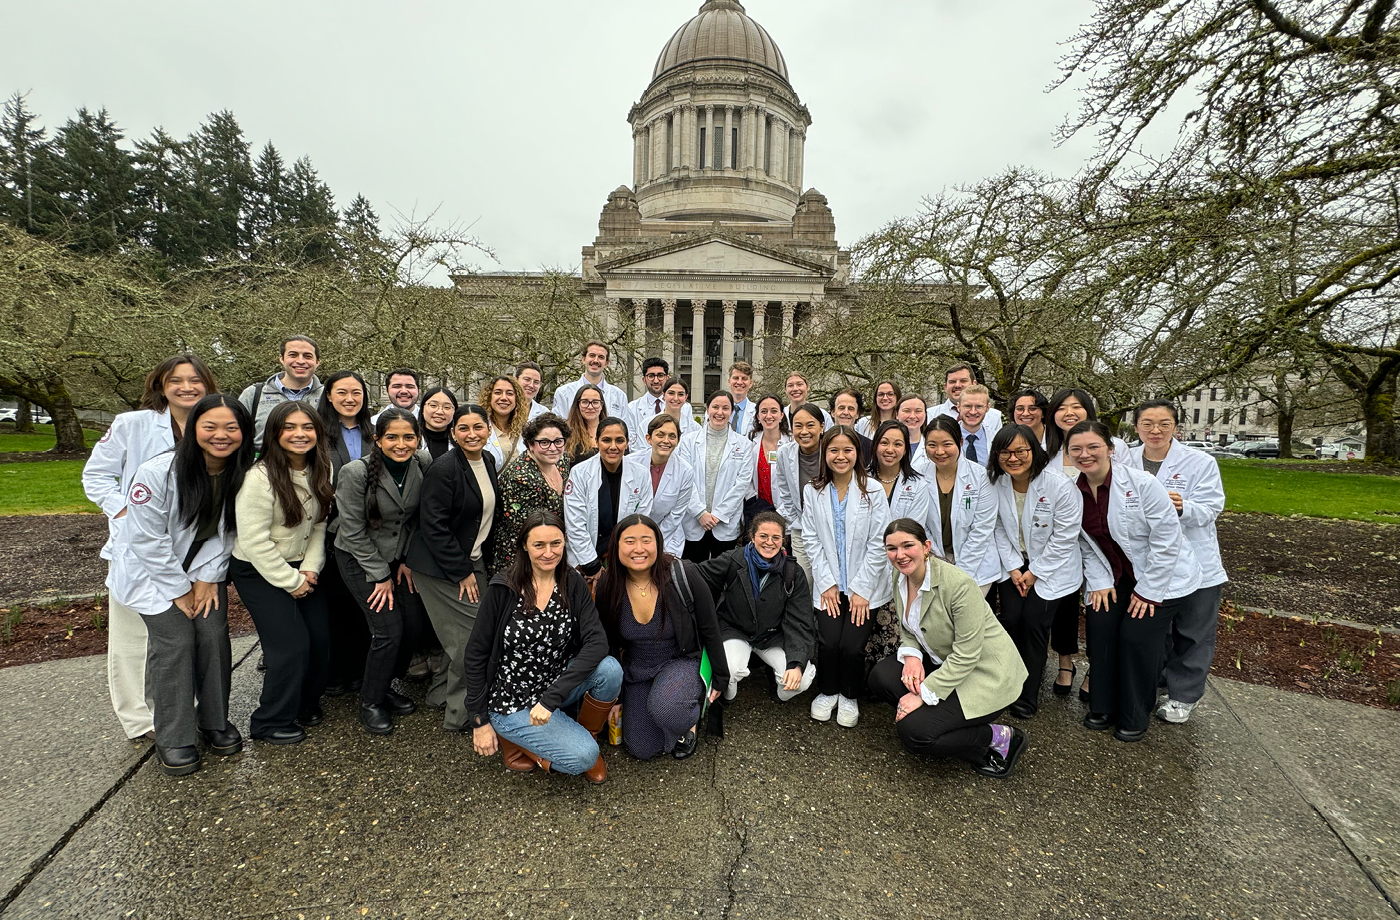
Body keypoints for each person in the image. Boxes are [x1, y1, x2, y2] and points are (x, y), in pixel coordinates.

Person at [107, 393, 253, 775]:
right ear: (193, 429)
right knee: (176, 642)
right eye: (210, 426)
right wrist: (179, 588)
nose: (221, 435)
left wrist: (207, 577)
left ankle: (214, 721)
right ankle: (174, 737)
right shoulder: (157, 473)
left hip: (202, 571)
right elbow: (146, 540)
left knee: (213, 635)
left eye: (231, 427)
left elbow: (228, 533)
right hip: (150, 575)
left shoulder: (240, 472)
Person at [83, 353, 218, 742]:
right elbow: (96, 475)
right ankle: (139, 719)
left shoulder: (213, 427)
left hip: (192, 548)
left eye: (195, 380)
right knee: (133, 640)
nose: (187, 387)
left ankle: (179, 708)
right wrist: (125, 511)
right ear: (161, 385)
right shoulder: (132, 425)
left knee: (181, 636)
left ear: (207, 385)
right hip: (138, 549)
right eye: (176, 380)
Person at [463, 511, 622, 782]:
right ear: (525, 546)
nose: (549, 553)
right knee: (583, 757)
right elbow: (475, 654)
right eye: (539, 545)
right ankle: (524, 742)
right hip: (512, 701)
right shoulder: (503, 589)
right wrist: (479, 721)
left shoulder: (572, 582)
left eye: (555, 544)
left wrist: (551, 699)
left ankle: (584, 734)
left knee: (610, 669)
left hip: (553, 688)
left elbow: (597, 642)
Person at [1068, 420, 1200, 742]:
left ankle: (1134, 713)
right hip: (1114, 576)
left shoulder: (1142, 484)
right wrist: (1099, 582)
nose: (1085, 455)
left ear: (1110, 449)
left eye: (1093, 447)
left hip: (1162, 578)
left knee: (1136, 636)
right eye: (1076, 449)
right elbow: (1085, 544)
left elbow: (1167, 540)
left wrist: (1149, 592)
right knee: (1100, 626)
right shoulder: (1073, 491)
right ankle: (1103, 705)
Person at [868, 519, 1028, 778]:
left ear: (926, 546)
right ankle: (936, 720)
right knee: (881, 677)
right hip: (945, 660)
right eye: (892, 548)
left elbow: (967, 655)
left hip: (985, 674)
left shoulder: (960, 585)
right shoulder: (900, 575)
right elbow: (908, 628)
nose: (900, 555)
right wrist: (912, 657)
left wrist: (922, 695)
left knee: (914, 734)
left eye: (908, 546)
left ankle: (999, 738)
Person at [230, 402, 334, 744]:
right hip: (258, 569)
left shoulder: (322, 468)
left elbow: (319, 525)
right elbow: (254, 541)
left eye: (307, 427)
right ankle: (269, 721)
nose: (299, 434)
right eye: (289, 427)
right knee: (290, 646)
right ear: (275, 433)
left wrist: (310, 569)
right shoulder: (259, 477)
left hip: (302, 566)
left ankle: (304, 703)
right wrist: (290, 582)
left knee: (319, 640)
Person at [1123, 400, 1227, 725]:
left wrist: (1183, 507)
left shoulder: (1200, 462)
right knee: (1155, 631)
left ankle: (1183, 695)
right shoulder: (1124, 459)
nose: (1155, 430)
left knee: (1194, 632)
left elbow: (1211, 508)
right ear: (1136, 427)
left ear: (1175, 427)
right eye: (1147, 423)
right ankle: (1155, 683)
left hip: (1196, 561)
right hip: (1146, 561)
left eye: (1164, 424)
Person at [595, 515, 727, 760]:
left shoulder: (683, 573)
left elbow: (710, 626)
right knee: (642, 748)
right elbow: (609, 642)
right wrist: (616, 697)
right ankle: (666, 706)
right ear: (616, 546)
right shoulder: (608, 584)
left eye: (647, 540)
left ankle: (687, 720)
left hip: (681, 660)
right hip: (639, 667)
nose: (639, 549)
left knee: (668, 710)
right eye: (630, 541)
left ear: (658, 543)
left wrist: (721, 677)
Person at [333, 408, 431, 735]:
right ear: (377, 439)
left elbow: (417, 519)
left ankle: (385, 684)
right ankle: (370, 701)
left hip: (398, 557)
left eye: (408, 437)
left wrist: (406, 559)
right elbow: (352, 530)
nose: (401, 444)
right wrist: (381, 575)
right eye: (392, 437)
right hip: (360, 558)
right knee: (388, 630)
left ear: (418, 439)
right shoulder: (355, 472)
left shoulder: (422, 463)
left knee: (413, 625)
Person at [406, 405, 502, 734]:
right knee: (470, 640)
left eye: (478, 427)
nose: (472, 434)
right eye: (463, 428)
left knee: (470, 633)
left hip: (471, 560)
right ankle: (461, 714)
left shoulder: (487, 461)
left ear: (488, 430)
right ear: (453, 433)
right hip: (441, 566)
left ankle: (439, 696)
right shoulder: (444, 469)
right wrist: (462, 571)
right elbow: (433, 527)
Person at [985, 424, 1083, 719]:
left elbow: (1065, 536)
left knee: (1034, 624)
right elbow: (997, 526)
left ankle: (1027, 696)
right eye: (1005, 452)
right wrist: (1014, 567)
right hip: (1015, 563)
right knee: (1011, 619)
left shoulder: (1058, 485)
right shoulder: (997, 483)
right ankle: (1005, 684)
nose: (1013, 458)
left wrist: (1036, 571)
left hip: (1052, 566)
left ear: (1034, 451)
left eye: (1020, 451)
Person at [801, 425, 892, 729]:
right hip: (829, 584)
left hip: (863, 586)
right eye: (834, 450)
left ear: (858, 453)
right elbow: (811, 538)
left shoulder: (873, 490)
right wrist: (826, 582)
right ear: (824, 453)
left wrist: (862, 589)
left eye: (847, 450)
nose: (840, 456)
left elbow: (879, 543)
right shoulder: (813, 490)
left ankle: (849, 695)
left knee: (851, 646)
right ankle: (828, 691)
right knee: (828, 643)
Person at [1044, 387, 1130, 699]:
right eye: (1061, 407)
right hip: (1063, 542)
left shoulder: (1114, 445)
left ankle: (1097, 667)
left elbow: (1127, 488)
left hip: (1101, 540)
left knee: (1100, 606)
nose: (1069, 413)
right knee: (1063, 608)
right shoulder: (1047, 449)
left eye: (1076, 406)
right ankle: (1065, 663)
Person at [699, 512, 816, 736]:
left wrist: (797, 663)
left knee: (801, 680)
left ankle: (778, 692)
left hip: (772, 636)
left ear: (783, 540)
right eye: (763, 536)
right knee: (730, 669)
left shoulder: (793, 572)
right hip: (735, 630)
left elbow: (801, 620)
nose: (769, 542)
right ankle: (729, 695)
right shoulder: (733, 560)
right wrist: (666, 565)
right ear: (752, 536)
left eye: (776, 537)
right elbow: (698, 574)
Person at [314, 369, 373, 698]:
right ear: (329, 396)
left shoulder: (372, 432)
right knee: (335, 605)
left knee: (361, 607)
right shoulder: (318, 432)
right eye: (342, 393)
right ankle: (335, 673)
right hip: (330, 529)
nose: (350, 399)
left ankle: (361, 673)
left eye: (356, 393)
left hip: (369, 528)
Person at [917, 417, 1002, 593]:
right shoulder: (918, 475)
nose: (940, 451)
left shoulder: (981, 477)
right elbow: (918, 524)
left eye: (947, 444)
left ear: (960, 442)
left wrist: (959, 573)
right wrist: (938, 561)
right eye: (932, 445)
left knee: (967, 608)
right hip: (934, 558)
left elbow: (982, 529)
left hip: (976, 563)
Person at [565, 417, 650, 581]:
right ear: (596, 442)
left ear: (627, 443)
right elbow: (575, 523)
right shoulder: (580, 473)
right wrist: (591, 565)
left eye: (619, 440)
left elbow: (641, 520)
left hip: (623, 558)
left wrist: (622, 561)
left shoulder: (641, 474)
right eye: (606, 440)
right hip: (584, 561)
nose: (613, 446)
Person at [678, 390, 754, 561]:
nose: (720, 412)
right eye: (715, 407)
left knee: (723, 571)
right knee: (694, 570)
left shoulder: (744, 445)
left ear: (732, 412)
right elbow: (684, 480)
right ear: (707, 409)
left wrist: (719, 514)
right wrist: (699, 512)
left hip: (725, 522)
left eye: (725, 408)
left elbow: (742, 484)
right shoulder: (688, 441)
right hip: (694, 520)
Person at [496, 414, 573, 573]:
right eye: (544, 442)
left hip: (552, 551)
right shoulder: (520, 478)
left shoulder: (562, 461)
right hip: (522, 560)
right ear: (530, 444)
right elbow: (525, 531)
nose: (553, 448)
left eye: (558, 441)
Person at [630, 414, 699, 558]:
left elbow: (676, 514)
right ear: (648, 438)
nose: (666, 441)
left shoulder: (685, 471)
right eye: (660, 435)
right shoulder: (630, 463)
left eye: (672, 436)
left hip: (666, 536)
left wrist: (653, 540)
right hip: (630, 531)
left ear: (678, 441)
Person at [238, 335, 324, 450]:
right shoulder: (254, 394)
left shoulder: (329, 396)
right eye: (293, 355)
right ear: (281, 358)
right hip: (264, 460)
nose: (300, 361)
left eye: (307, 356)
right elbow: (236, 434)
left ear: (317, 361)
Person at [772, 403, 826, 586]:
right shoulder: (784, 453)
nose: (804, 432)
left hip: (830, 527)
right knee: (803, 580)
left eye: (810, 425)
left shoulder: (831, 451)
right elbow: (785, 489)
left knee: (826, 581)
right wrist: (795, 518)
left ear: (822, 426)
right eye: (798, 426)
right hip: (801, 527)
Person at [552, 340, 629, 419]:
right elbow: (558, 425)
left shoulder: (619, 396)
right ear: (583, 359)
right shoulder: (563, 393)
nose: (595, 360)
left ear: (606, 363)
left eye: (601, 357)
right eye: (592, 355)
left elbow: (624, 426)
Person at [745, 394, 790, 526]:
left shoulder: (792, 443)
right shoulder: (750, 442)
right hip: (759, 512)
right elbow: (746, 478)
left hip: (787, 512)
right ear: (758, 417)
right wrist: (755, 504)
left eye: (774, 411)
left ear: (781, 415)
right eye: (764, 411)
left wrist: (781, 511)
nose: (769, 416)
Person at [627, 357, 687, 451]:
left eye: (660, 375)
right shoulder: (632, 408)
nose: (656, 380)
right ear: (644, 380)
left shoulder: (685, 407)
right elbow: (632, 442)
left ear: (667, 378)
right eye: (651, 376)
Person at [926, 363, 1004, 433]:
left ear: (974, 384)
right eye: (952, 381)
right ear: (945, 387)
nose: (957, 385)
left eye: (963, 381)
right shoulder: (929, 415)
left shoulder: (994, 417)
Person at [478, 375, 527, 469]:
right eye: (498, 392)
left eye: (509, 393)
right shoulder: (479, 429)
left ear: (516, 399)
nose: (504, 398)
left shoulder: (525, 430)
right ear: (489, 397)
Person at [954, 385, 1000, 466]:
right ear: (958, 407)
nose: (973, 412)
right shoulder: (947, 436)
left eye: (979, 406)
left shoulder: (997, 439)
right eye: (967, 406)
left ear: (988, 408)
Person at [564, 383, 605, 465]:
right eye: (585, 402)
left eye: (595, 402)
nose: (590, 407)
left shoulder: (611, 430)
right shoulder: (566, 433)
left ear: (601, 405)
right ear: (578, 405)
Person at [417, 387, 459, 460]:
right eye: (433, 405)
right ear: (422, 409)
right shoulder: (410, 440)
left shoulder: (461, 442)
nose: (439, 412)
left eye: (446, 407)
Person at [727, 361, 757, 434]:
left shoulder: (757, 412)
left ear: (751, 383)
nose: (740, 382)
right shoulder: (715, 410)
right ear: (729, 382)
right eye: (736, 378)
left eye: (744, 378)